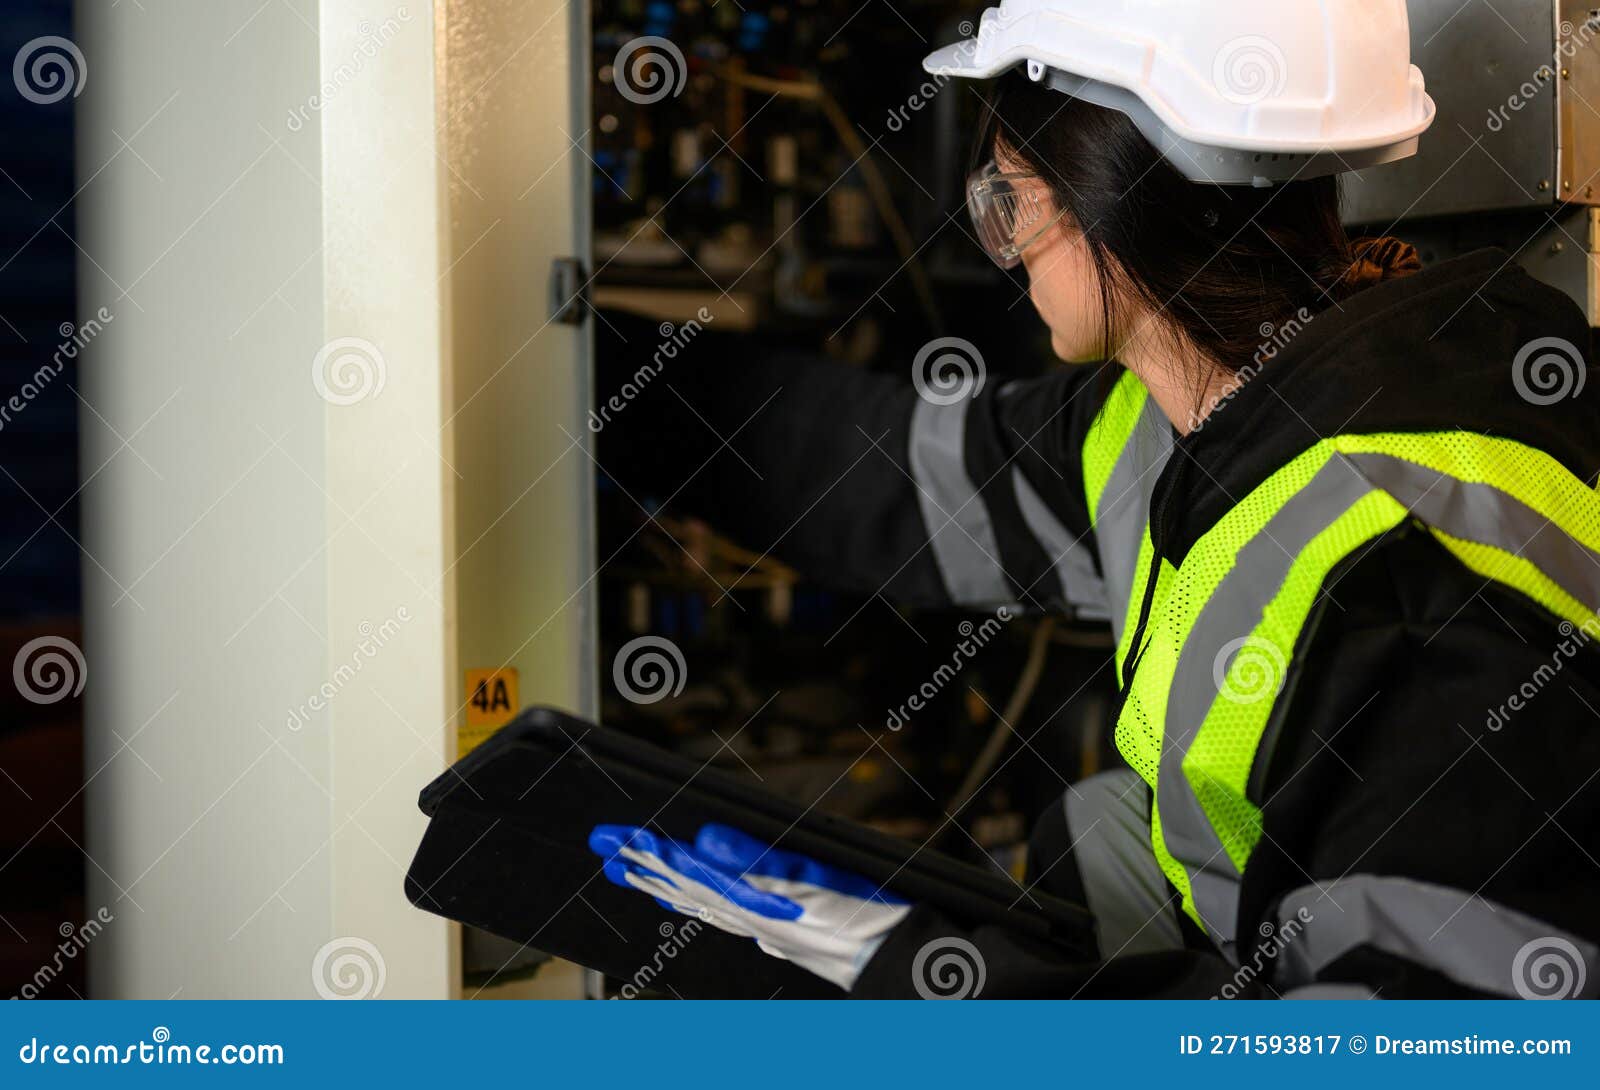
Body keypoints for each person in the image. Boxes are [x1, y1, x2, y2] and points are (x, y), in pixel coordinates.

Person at [589, 0, 1600, 998]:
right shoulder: (1199, 412)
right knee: (1105, 835)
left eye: (1007, 201)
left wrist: (953, 989)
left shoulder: (1397, 564)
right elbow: (885, 479)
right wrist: (569, 376)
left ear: (1106, 190)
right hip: (1277, 943)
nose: (1010, 242)